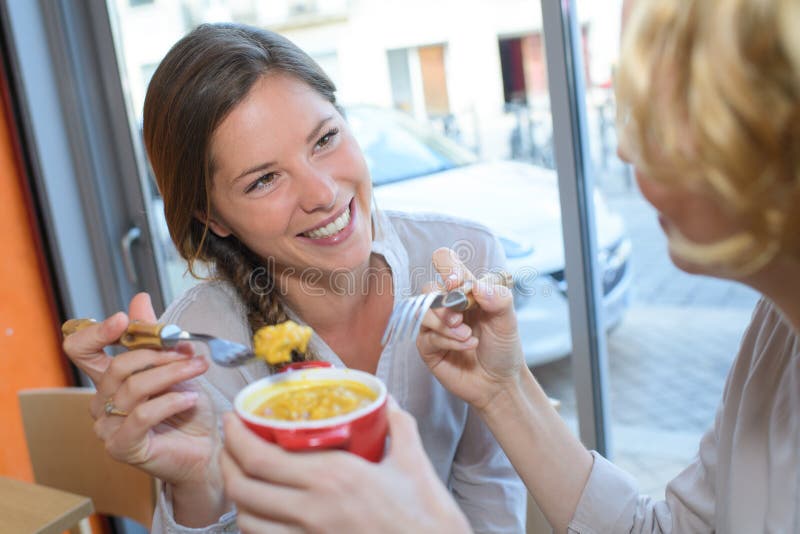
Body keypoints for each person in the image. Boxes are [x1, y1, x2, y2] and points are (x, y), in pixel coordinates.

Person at [218, 0, 800, 532]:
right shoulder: (779, 327)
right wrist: (504, 391)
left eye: (655, 108)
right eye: (264, 178)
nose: (624, 149)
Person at [61, 22, 526, 533]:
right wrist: (199, 485)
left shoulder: (465, 258)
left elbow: (488, 480)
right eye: (263, 179)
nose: (322, 192)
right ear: (213, 218)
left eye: (325, 139)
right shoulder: (197, 356)